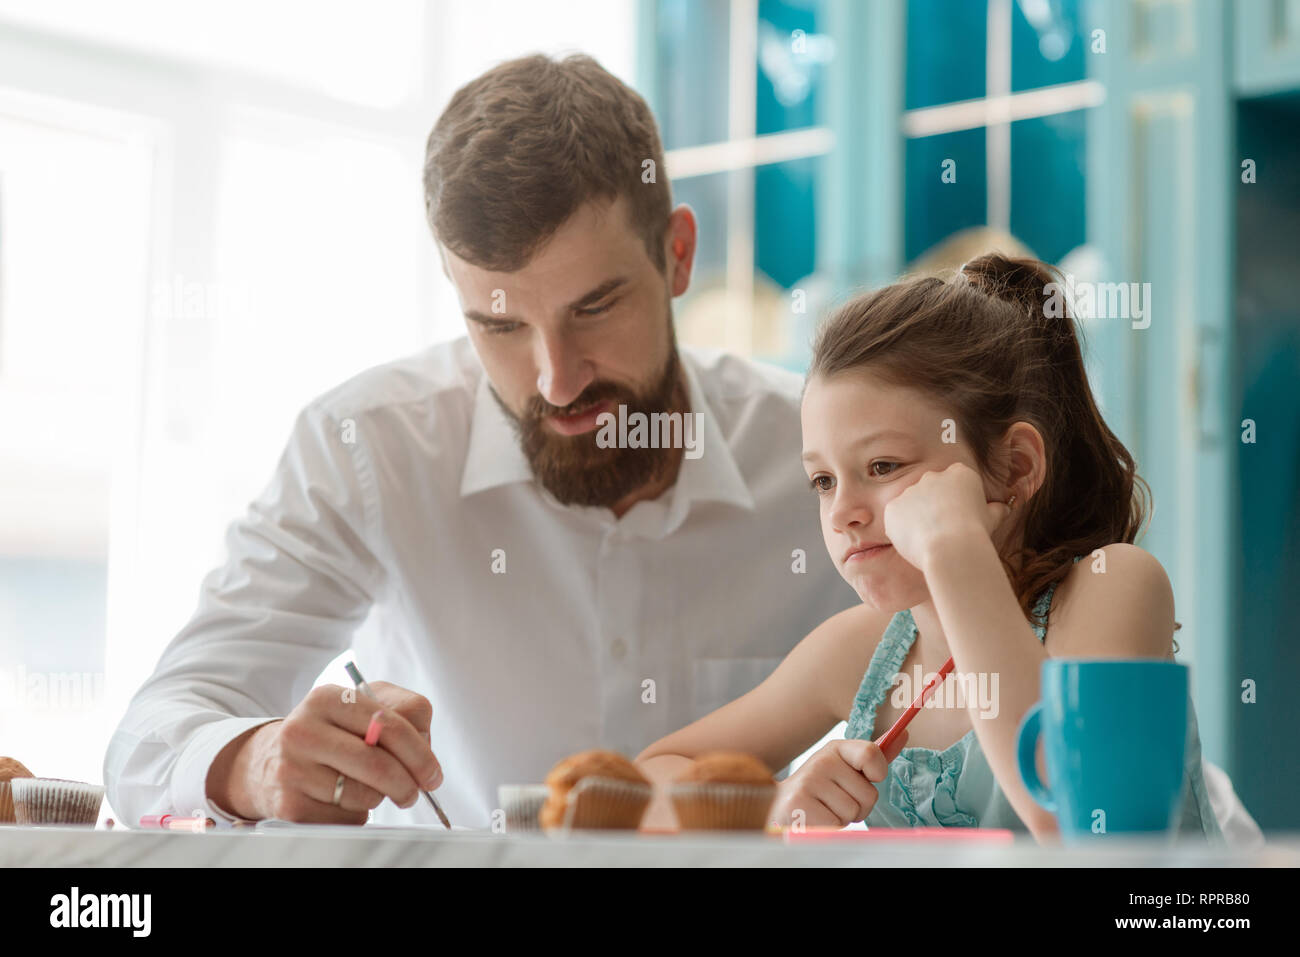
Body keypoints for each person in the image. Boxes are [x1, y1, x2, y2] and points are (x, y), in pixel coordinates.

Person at [103, 53, 857, 828]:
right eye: (500, 325)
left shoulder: (822, 454)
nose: (557, 380)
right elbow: (151, 733)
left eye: (593, 308)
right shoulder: (367, 448)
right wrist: (254, 760)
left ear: (678, 255)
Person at [637, 254, 1224, 842]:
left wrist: (954, 551)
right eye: (823, 481)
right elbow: (648, 782)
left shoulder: (1111, 585)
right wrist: (774, 802)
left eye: (883, 465)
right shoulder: (861, 651)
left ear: (1015, 467)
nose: (843, 512)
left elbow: (1077, 819)